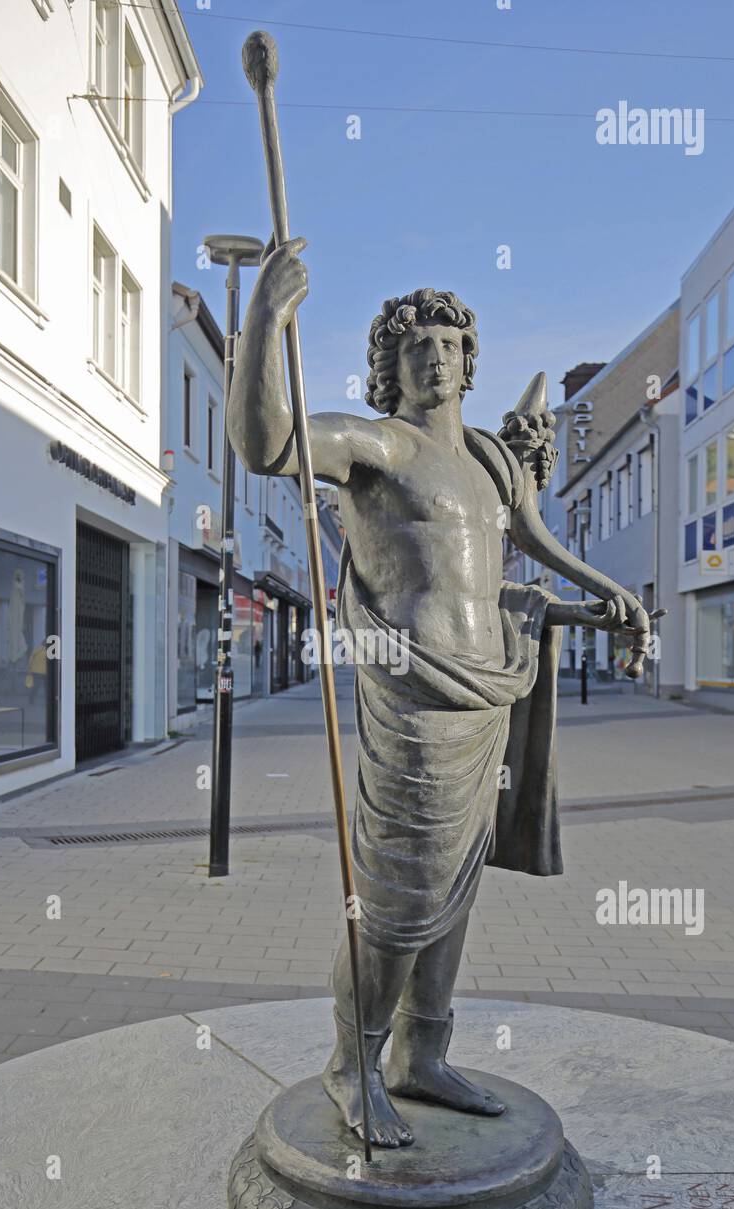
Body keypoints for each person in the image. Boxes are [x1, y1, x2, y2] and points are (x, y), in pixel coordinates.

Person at [229, 239, 660, 1147]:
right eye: (414, 348)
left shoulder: (495, 466)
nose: (434, 358)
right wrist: (264, 322)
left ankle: (422, 1055)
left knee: (458, 885)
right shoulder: (377, 446)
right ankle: (353, 1062)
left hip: (486, 698)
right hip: (415, 699)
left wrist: (606, 597)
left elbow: (537, 550)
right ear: (392, 369)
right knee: (398, 892)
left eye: (448, 346)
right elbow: (268, 445)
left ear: (470, 360)